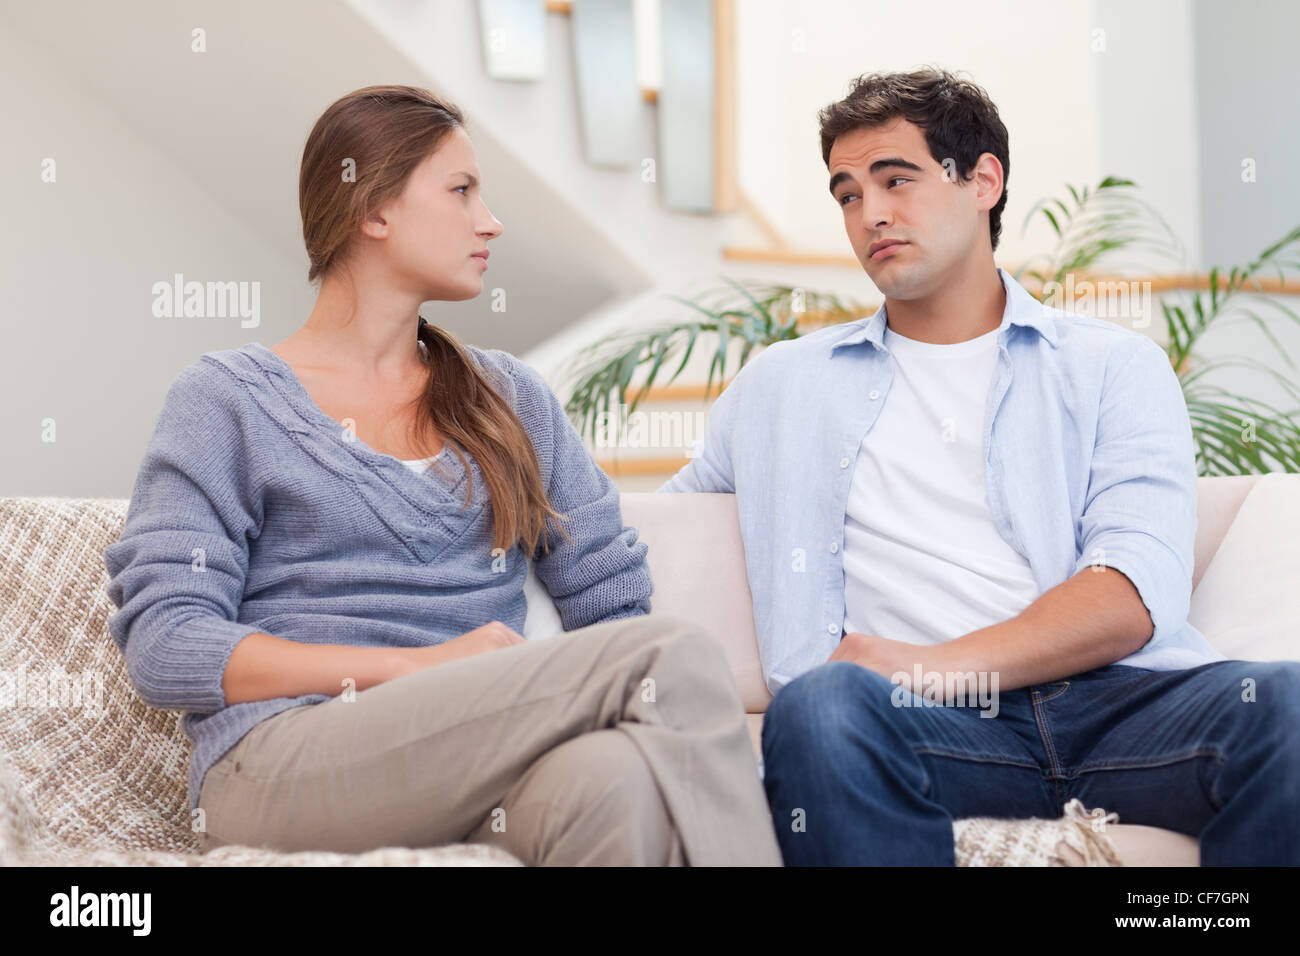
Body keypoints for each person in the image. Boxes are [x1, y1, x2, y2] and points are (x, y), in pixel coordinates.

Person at [103, 85, 780, 867]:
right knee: (675, 654)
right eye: (461, 191)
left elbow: (610, 602)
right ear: (374, 211)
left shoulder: (509, 398)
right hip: (279, 762)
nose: (489, 221)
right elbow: (167, 644)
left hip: (467, 768)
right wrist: (414, 668)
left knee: (613, 778)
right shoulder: (225, 400)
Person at [658, 67, 1300, 866]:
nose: (872, 215)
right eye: (848, 194)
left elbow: (1132, 593)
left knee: (1285, 703)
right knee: (824, 705)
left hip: (1118, 706)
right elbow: (640, 543)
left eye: (897, 180)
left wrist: (923, 665)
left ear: (983, 180)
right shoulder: (779, 388)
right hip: (921, 728)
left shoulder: (1111, 367)